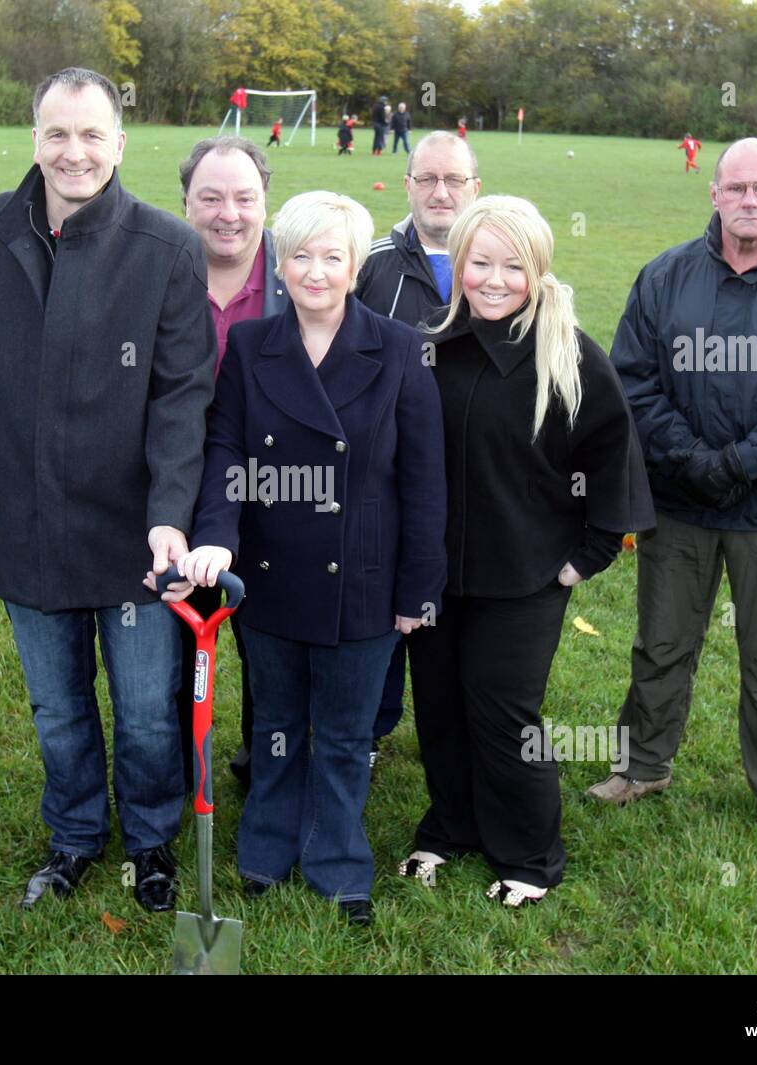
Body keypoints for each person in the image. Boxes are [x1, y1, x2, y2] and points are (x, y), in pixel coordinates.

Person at [0, 68, 217, 912]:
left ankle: (153, 842)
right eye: (57, 133)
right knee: (57, 709)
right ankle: (74, 836)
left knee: (144, 711)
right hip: (21, 521)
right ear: (34, 139)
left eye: (92, 134)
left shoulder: (168, 246)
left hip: (132, 536)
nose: (74, 151)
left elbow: (182, 397)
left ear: (119, 145)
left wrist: (169, 517)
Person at [160, 191, 447, 926]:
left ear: (355, 265)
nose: (315, 271)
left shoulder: (400, 349)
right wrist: (216, 532)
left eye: (333, 256)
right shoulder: (254, 346)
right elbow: (224, 445)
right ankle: (265, 848)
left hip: (366, 577)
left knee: (347, 736)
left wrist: (418, 589)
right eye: (300, 256)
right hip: (270, 570)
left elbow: (424, 481)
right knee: (276, 724)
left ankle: (337, 859)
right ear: (278, 264)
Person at [587, 138, 757, 862]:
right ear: (713, 194)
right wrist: (691, 458)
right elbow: (632, 383)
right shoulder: (665, 278)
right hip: (681, 507)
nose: (749, 200)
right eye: (735, 187)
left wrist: (740, 462)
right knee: (660, 645)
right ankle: (642, 766)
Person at [399, 195, 654, 907]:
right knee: (440, 705)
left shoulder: (569, 356)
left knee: (505, 713)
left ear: (538, 269)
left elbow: (613, 457)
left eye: (513, 266)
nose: (494, 278)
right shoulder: (428, 348)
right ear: (458, 265)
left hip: (526, 575)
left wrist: (587, 554)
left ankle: (529, 853)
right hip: (436, 574)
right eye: (480, 262)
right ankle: (451, 825)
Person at [356, 130, 481, 754]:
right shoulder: (371, 262)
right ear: (406, 183)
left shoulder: (497, 262)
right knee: (386, 601)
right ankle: (371, 730)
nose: (439, 192)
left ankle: (456, 730)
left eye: (453, 180)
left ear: (474, 188)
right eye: (427, 179)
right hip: (388, 478)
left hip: (477, 476)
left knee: (459, 607)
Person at [177, 135, 290, 791]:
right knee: (172, 651)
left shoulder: (298, 272)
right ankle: (173, 775)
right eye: (211, 197)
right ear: (186, 201)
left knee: (269, 650)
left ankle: (262, 766)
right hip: (176, 497)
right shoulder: (161, 271)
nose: (230, 213)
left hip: (274, 498)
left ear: (265, 203)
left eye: (246, 198)